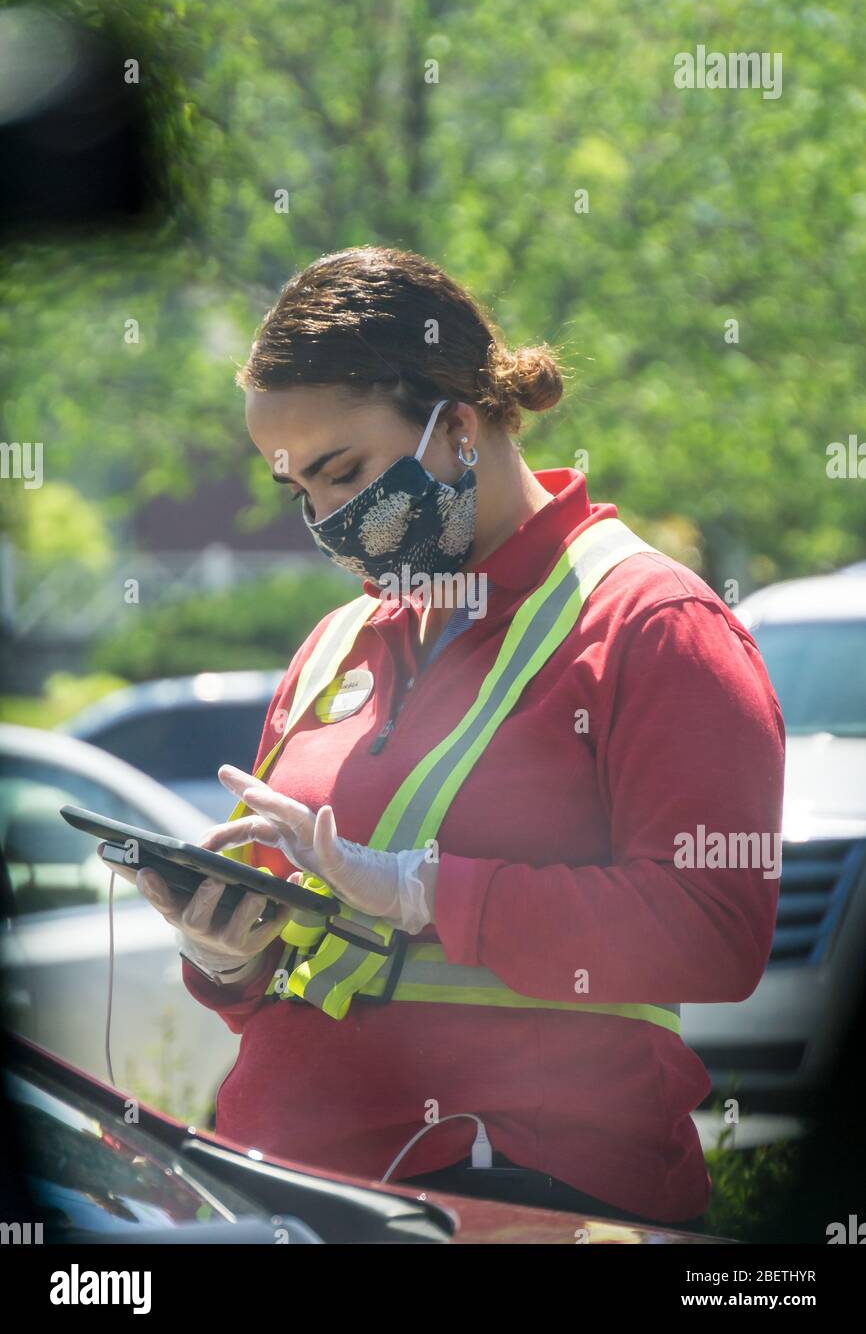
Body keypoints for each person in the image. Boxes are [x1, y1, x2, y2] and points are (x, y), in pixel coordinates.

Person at [101, 245, 785, 1232]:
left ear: (459, 426)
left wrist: (430, 890)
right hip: (284, 1193)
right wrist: (222, 955)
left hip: (524, 1200)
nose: (329, 523)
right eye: (298, 491)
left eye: (344, 472)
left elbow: (716, 934)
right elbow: (300, 980)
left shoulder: (651, 623)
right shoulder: (334, 645)